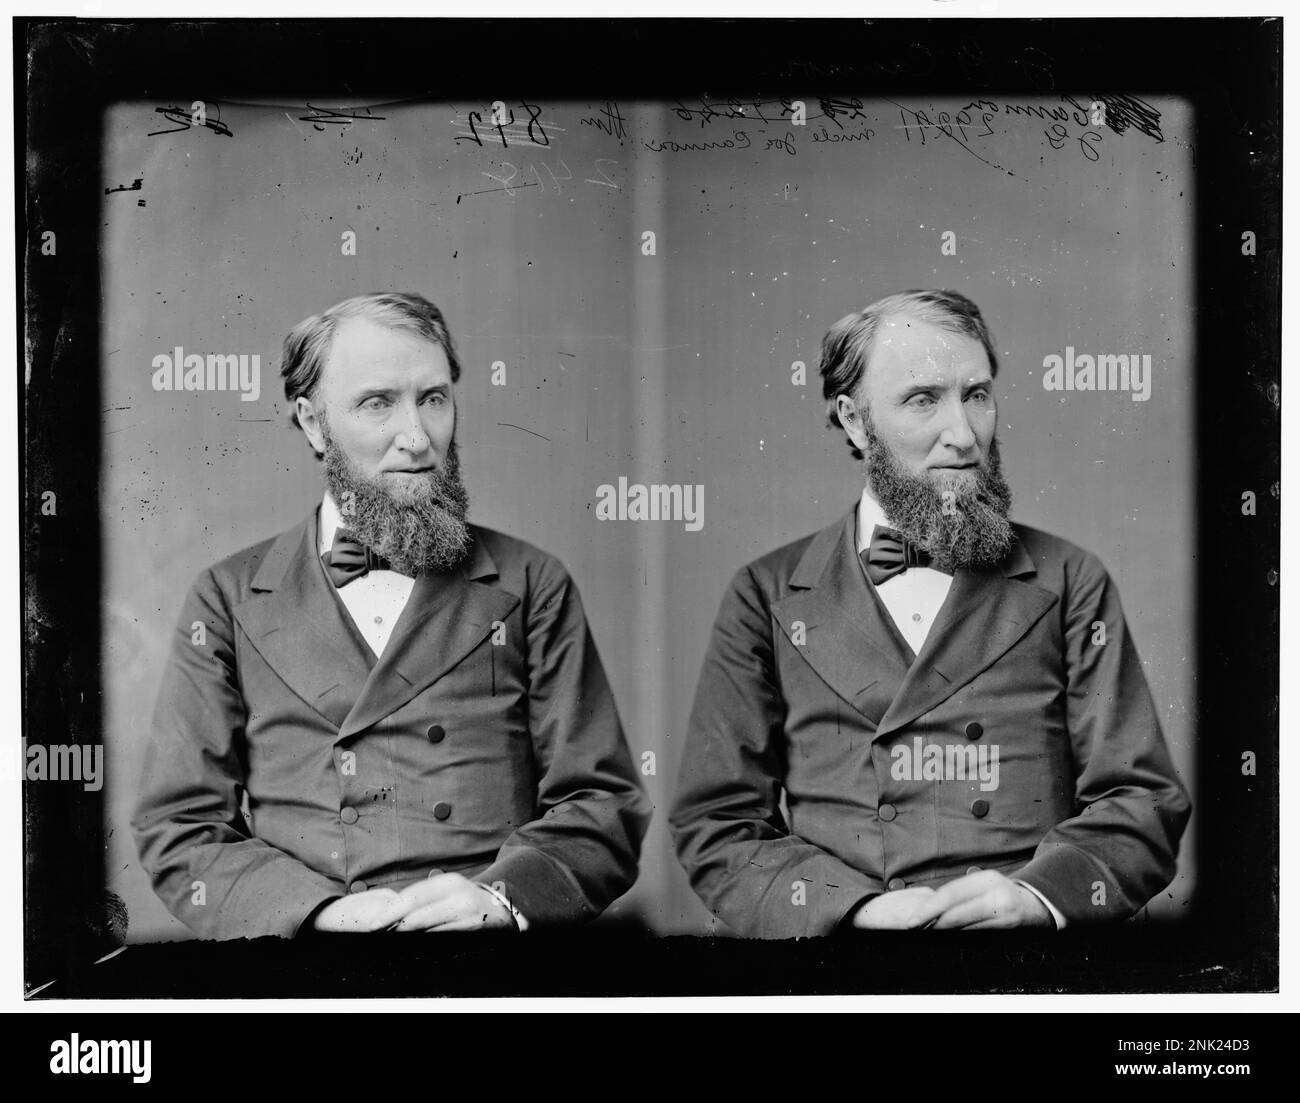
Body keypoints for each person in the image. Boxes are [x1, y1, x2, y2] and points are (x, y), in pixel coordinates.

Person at [670, 289, 1191, 937]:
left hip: (1031, 961)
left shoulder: (1069, 579)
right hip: (846, 963)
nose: (964, 434)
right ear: (855, 421)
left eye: (977, 394)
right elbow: (716, 822)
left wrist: (1038, 897)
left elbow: (1140, 798)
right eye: (923, 399)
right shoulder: (767, 594)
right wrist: (857, 908)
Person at [133, 292, 649, 939]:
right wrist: (319, 911)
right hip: (308, 964)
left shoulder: (531, 581)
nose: (417, 436)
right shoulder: (228, 597)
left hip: (494, 957)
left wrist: (502, 896)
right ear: (314, 423)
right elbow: (178, 823)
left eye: (433, 398)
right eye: (378, 402)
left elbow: (602, 801)